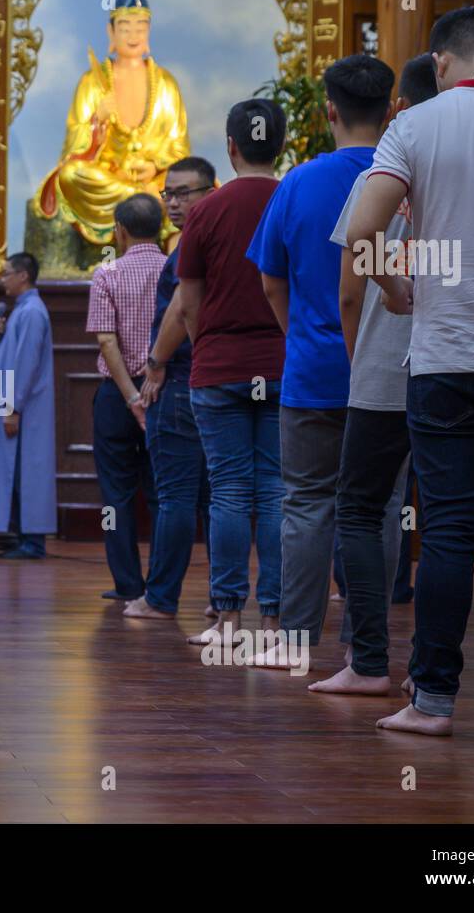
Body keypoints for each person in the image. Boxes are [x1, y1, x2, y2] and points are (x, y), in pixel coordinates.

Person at [346, 6, 474, 735]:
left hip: (443, 359)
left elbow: (364, 235)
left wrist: (400, 292)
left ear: (442, 62)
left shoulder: (417, 125)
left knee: (449, 529)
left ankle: (431, 700)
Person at [247, 54, 396, 665]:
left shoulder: (300, 183)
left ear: (328, 109)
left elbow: (271, 281)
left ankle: (294, 639)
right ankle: (367, 641)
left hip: (311, 371)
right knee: (384, 505)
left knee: (306, 502)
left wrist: (303, 336)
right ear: (391, 110)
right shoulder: (403, 177)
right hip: (388, 372)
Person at [307, 53, 437, 695]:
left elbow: (352, 289)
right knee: (442, 517)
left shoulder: (386, 172)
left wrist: (359, 361)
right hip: (463, 361)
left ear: (401, 110)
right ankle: (434, 680)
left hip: (385, 366)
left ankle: (367, 662)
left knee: (359, 508)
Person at [176, 99, 286, 644]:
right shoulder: (294, 195)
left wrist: (207, 349)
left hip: (219, 367)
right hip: (283, 366)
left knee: (228, 492)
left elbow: (189, 301)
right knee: (274, 489)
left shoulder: (205, 211)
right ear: (281, 145)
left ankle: (227, 620)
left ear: (231, 148)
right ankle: (272, 621)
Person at [133, 156, 218, 619]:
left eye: (185, 193)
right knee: (217, 496)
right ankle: (221, 598)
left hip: (183, 378)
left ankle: (160, 597)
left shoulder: (191, 248)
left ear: (211, 191)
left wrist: (155, 363)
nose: (174, 203)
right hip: (215, 382)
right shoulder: (207, 242)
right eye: (168, 194)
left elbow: (182, 309)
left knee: (177, 495)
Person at [85, 193, 168, 604]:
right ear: (162, 227)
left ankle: (128, 584)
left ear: (119, 230)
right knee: (164, 491)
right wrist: (154, 383)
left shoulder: (107, 274)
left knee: (116, 494)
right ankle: (161, 588)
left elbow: (105, 339)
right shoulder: (176, 270)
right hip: (166, 390)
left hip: (118, 396)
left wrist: (131, 395)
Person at [0, 252, 56, 559]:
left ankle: (32, 541)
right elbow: (8, 357)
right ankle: (23, 535)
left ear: (23, 276)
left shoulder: (33, 312)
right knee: (18, 470)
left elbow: (25, 365)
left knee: (26, 471)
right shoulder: (22, 311)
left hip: (25, 408)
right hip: (17, 403)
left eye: (6, 272)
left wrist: (12, 407)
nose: (2, 278)